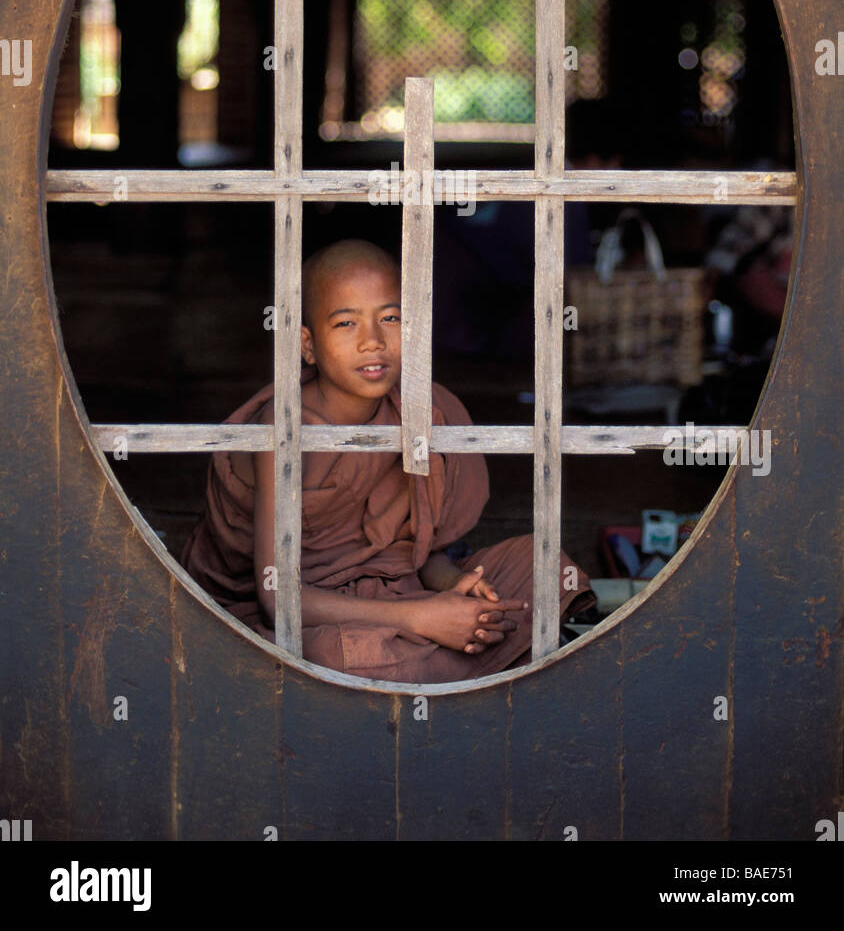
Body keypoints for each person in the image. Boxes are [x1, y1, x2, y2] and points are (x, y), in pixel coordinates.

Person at [181, 239, 596, 682]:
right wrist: (422, 619)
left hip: (400, 592)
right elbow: (277, 597)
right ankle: (473, 662)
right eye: (345, 323)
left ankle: (447, 656)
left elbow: (418, 553)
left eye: (390, 318)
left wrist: (451, 586)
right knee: (335, 656)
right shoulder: (285, 431)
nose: (373, 341)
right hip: (314, 614)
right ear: (307, 344)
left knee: (542, 568)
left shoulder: (423, 412)